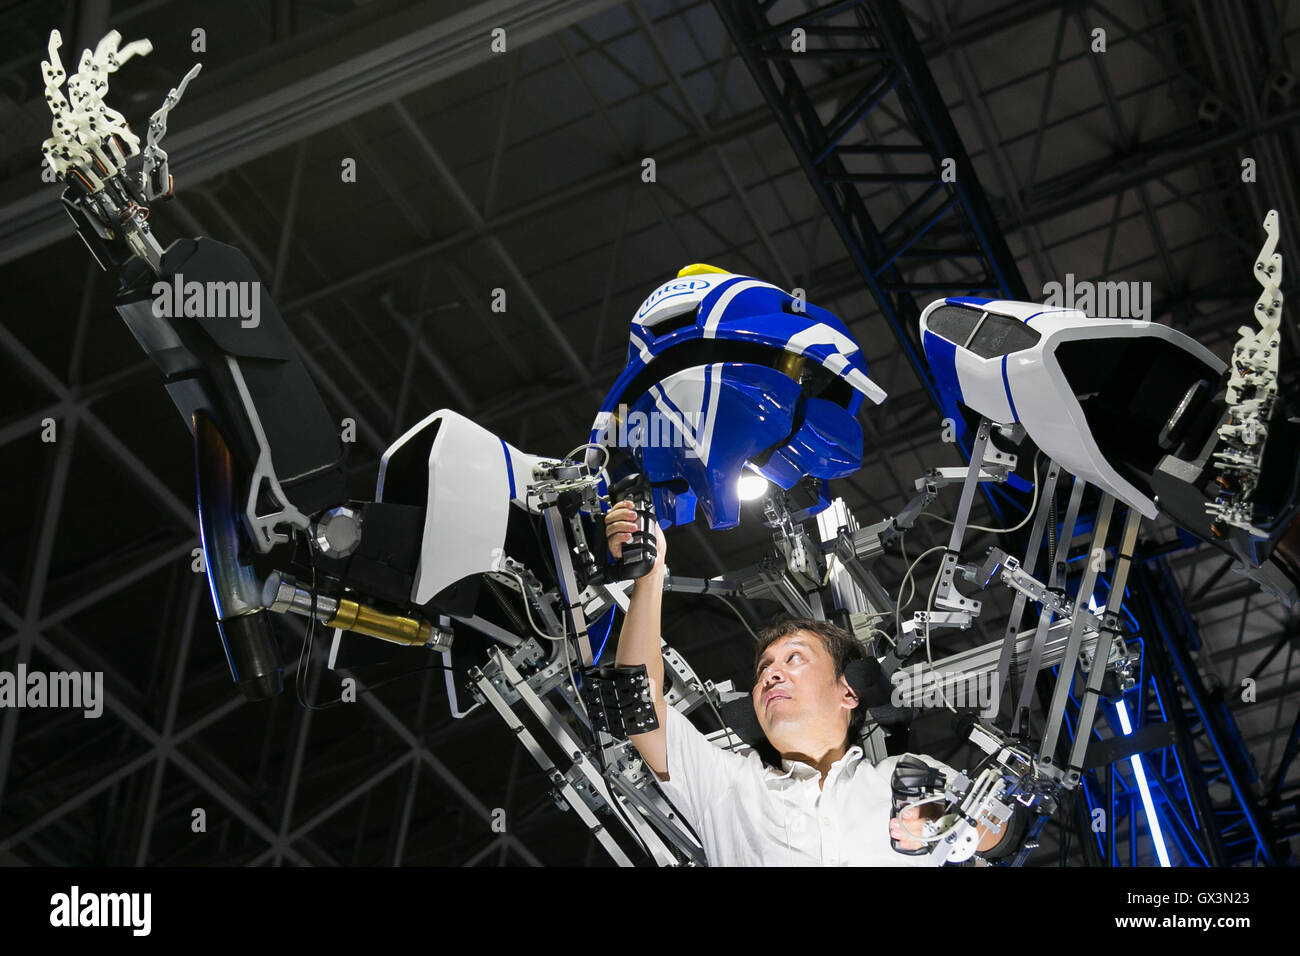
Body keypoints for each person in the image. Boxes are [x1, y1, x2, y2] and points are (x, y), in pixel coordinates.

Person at [605, 499, 1010, 866]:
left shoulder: (900, 777)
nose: (770, 674)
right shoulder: (729, 786)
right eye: (763, 668)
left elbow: (1002, 835)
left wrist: (950, 823)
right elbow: (638, 705)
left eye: (794, 658)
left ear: (848, 692)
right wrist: (651, 575)